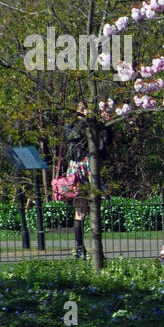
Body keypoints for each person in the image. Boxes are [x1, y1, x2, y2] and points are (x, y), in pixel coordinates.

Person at [63, 100, 111, 260]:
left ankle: (93, 250)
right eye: (83, 109)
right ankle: (79, 247)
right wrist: (86, 121)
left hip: (91, 167)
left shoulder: (94, 125)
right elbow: (73, 137)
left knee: (94, 209)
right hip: (80, 169)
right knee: (80, 211)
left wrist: (105, 124)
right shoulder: (73, 125)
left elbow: (105, 143)